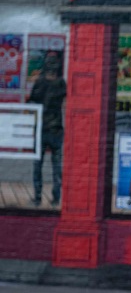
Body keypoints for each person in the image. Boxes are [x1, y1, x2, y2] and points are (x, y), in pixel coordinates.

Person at [28, 53, 66, 206]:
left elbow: (32, 99)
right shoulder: (61, 83)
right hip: (56, 129)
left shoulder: (40, 82)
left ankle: (37, 197)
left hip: (42, 129)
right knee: (56, 166)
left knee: (38, 165)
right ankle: (56, 198)